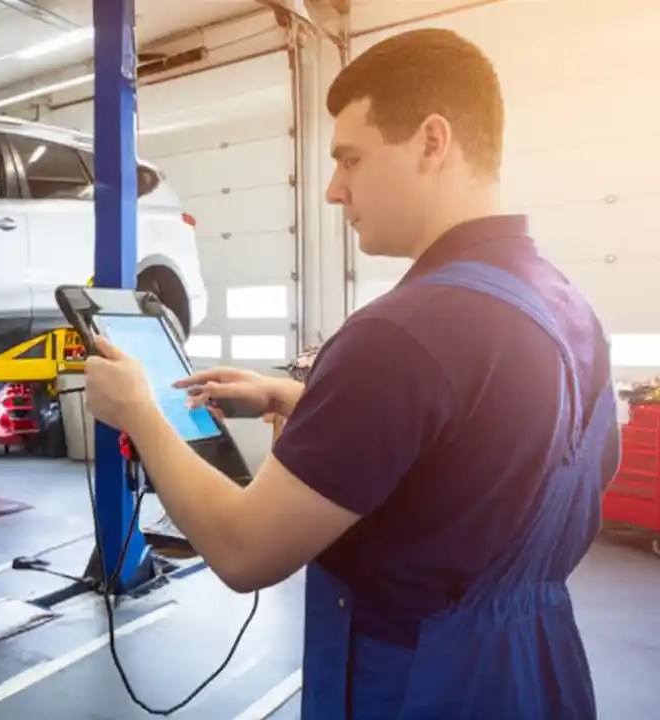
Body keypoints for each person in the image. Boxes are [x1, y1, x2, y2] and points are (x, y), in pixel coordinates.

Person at [83, 28, 619, 719]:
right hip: (538, 674)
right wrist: (298, 399)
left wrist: (138, 412)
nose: (334, 190)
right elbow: (501, 454)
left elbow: (244, 551)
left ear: (433, 142)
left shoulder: (396, 336)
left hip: (418, 691)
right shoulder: (570, 307)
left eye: (351, 159)